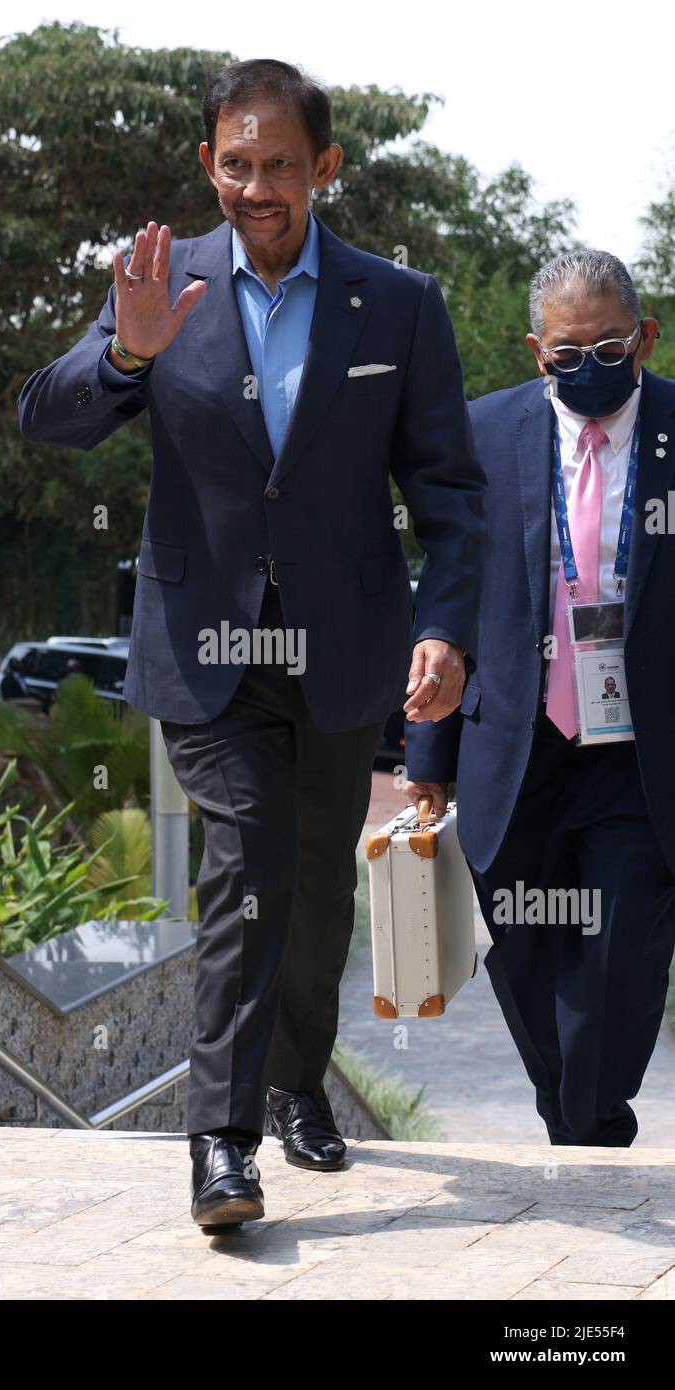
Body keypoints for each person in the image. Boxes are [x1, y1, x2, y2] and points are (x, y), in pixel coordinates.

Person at [19, 58, 486, 1227]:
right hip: (204, 646)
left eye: (281, 164)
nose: (257, 186)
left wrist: (446, 628)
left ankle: (294, 1083)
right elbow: (50, 418)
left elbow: (451, 496)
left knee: (320, 890)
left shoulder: (400, 305)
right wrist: (125, 351)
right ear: (206, 164)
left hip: (345, 652)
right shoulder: (157, 284)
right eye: (236, 163)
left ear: (323, 167)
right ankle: (220, 1146)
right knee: (250, 869)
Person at [404, 249, 675, 1148]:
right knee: (524, 958)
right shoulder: (484, 435)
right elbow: (450, 593)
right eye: (567, 353)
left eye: (608, 347)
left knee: (617, 947)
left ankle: (591, 1120)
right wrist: (428, 760)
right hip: (514, 749)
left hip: (642, 756)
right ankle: (576, 1120)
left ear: (645, 337)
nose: (587, 367)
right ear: (534, 352)